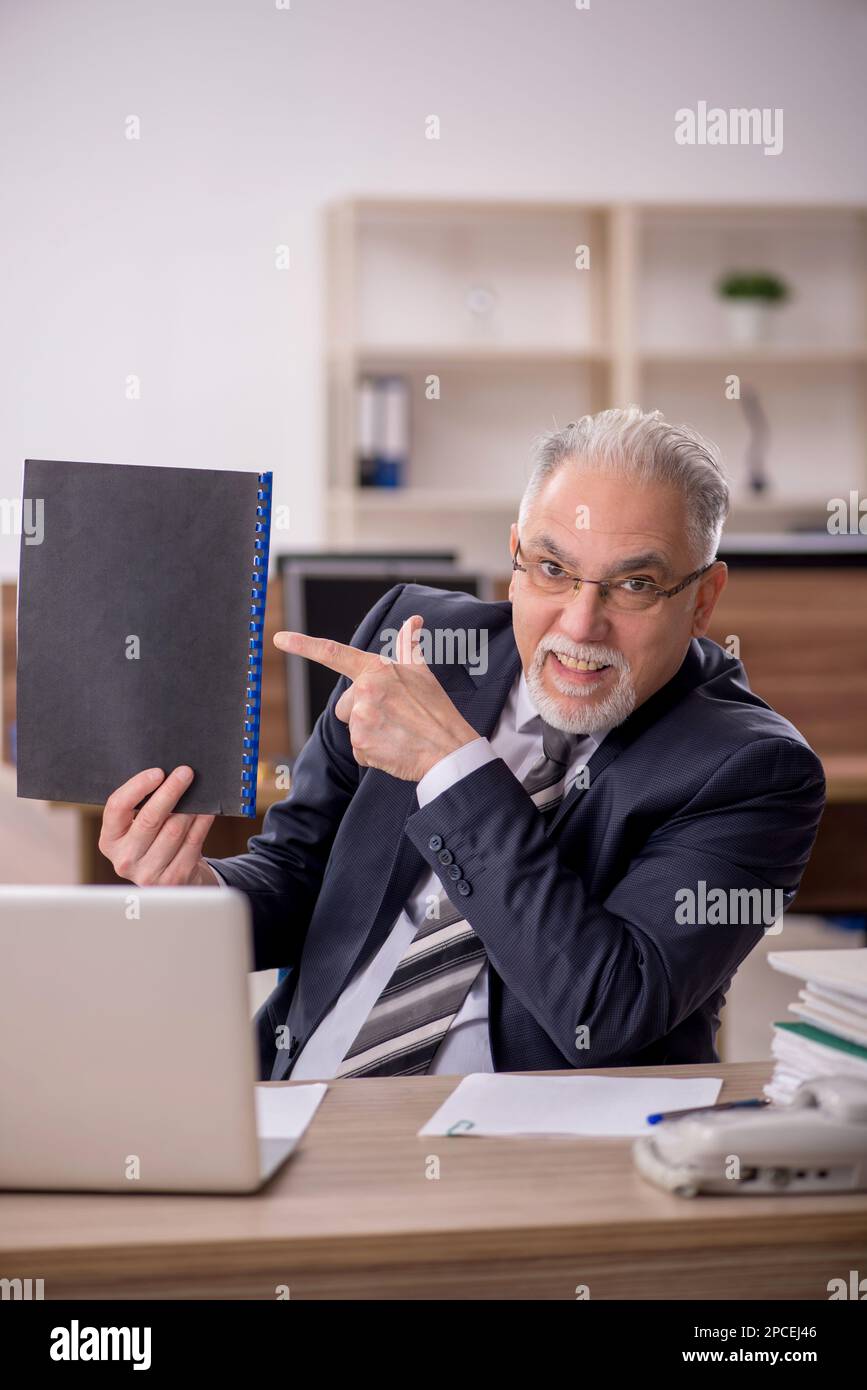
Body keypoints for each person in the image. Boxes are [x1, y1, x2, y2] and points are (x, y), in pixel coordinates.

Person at [98, 406, 826, 1080]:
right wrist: (197, 894)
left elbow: (604, 1011)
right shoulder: (416, 645)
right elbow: (299, 880)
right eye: (550, 569)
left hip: (524, 1153)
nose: (579, 625)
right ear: (512, 557)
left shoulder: (754, 771)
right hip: (293, 1094)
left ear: (702, 600)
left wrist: (454, 768)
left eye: (633, 584)